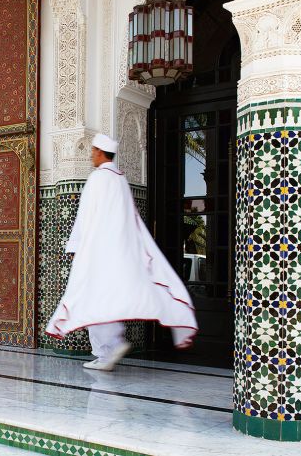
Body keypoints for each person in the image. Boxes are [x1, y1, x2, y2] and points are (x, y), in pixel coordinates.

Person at [45, 133, 198, 371]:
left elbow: (85, 216)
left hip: (96, 252)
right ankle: (109, 348)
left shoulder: (98, 179)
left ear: (99, 152)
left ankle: (109, 349)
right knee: (107, 297)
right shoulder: (120, 180)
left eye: (93, 151)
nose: (91, 156)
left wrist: (75, 247)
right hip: (118, 253)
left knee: (93, 298)